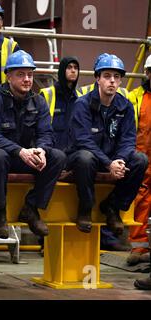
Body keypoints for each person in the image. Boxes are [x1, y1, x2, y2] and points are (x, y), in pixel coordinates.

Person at [0, 50, 66, 239]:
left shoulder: (39, 102)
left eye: (30, 74)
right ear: (8, 76)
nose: (27, 79)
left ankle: (31, 207)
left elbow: (46, 133)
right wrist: (19, 151)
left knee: (58, 157)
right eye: (21, 74)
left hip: (26, 156)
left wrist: (41, 150)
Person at [66, 54, 148, 234]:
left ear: (120, 81)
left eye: (116, 77)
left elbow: (128, 140)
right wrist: (108, 163)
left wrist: (119, 160)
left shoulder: (124, 106)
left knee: (140, 159)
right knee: (85, 158)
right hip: (84, 156)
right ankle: (85, 209)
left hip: (111, 157)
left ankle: (113, 206)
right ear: (97, 78)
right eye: (107, 76)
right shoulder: (82, 104)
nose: (112, 81)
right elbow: (83, 141)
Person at [126, 55, 151, 265]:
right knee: (140, 201)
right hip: (143, 159)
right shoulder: (135, 97)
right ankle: (138, 247)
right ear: (148, 73)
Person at [40, 56, 82, 151]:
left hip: (73, 150)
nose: (73, 71)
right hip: (51, 150)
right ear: (62, 70)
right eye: (69, 67)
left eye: (76, 68)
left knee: (86, 158)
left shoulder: (80, 97)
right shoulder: (47, 94)